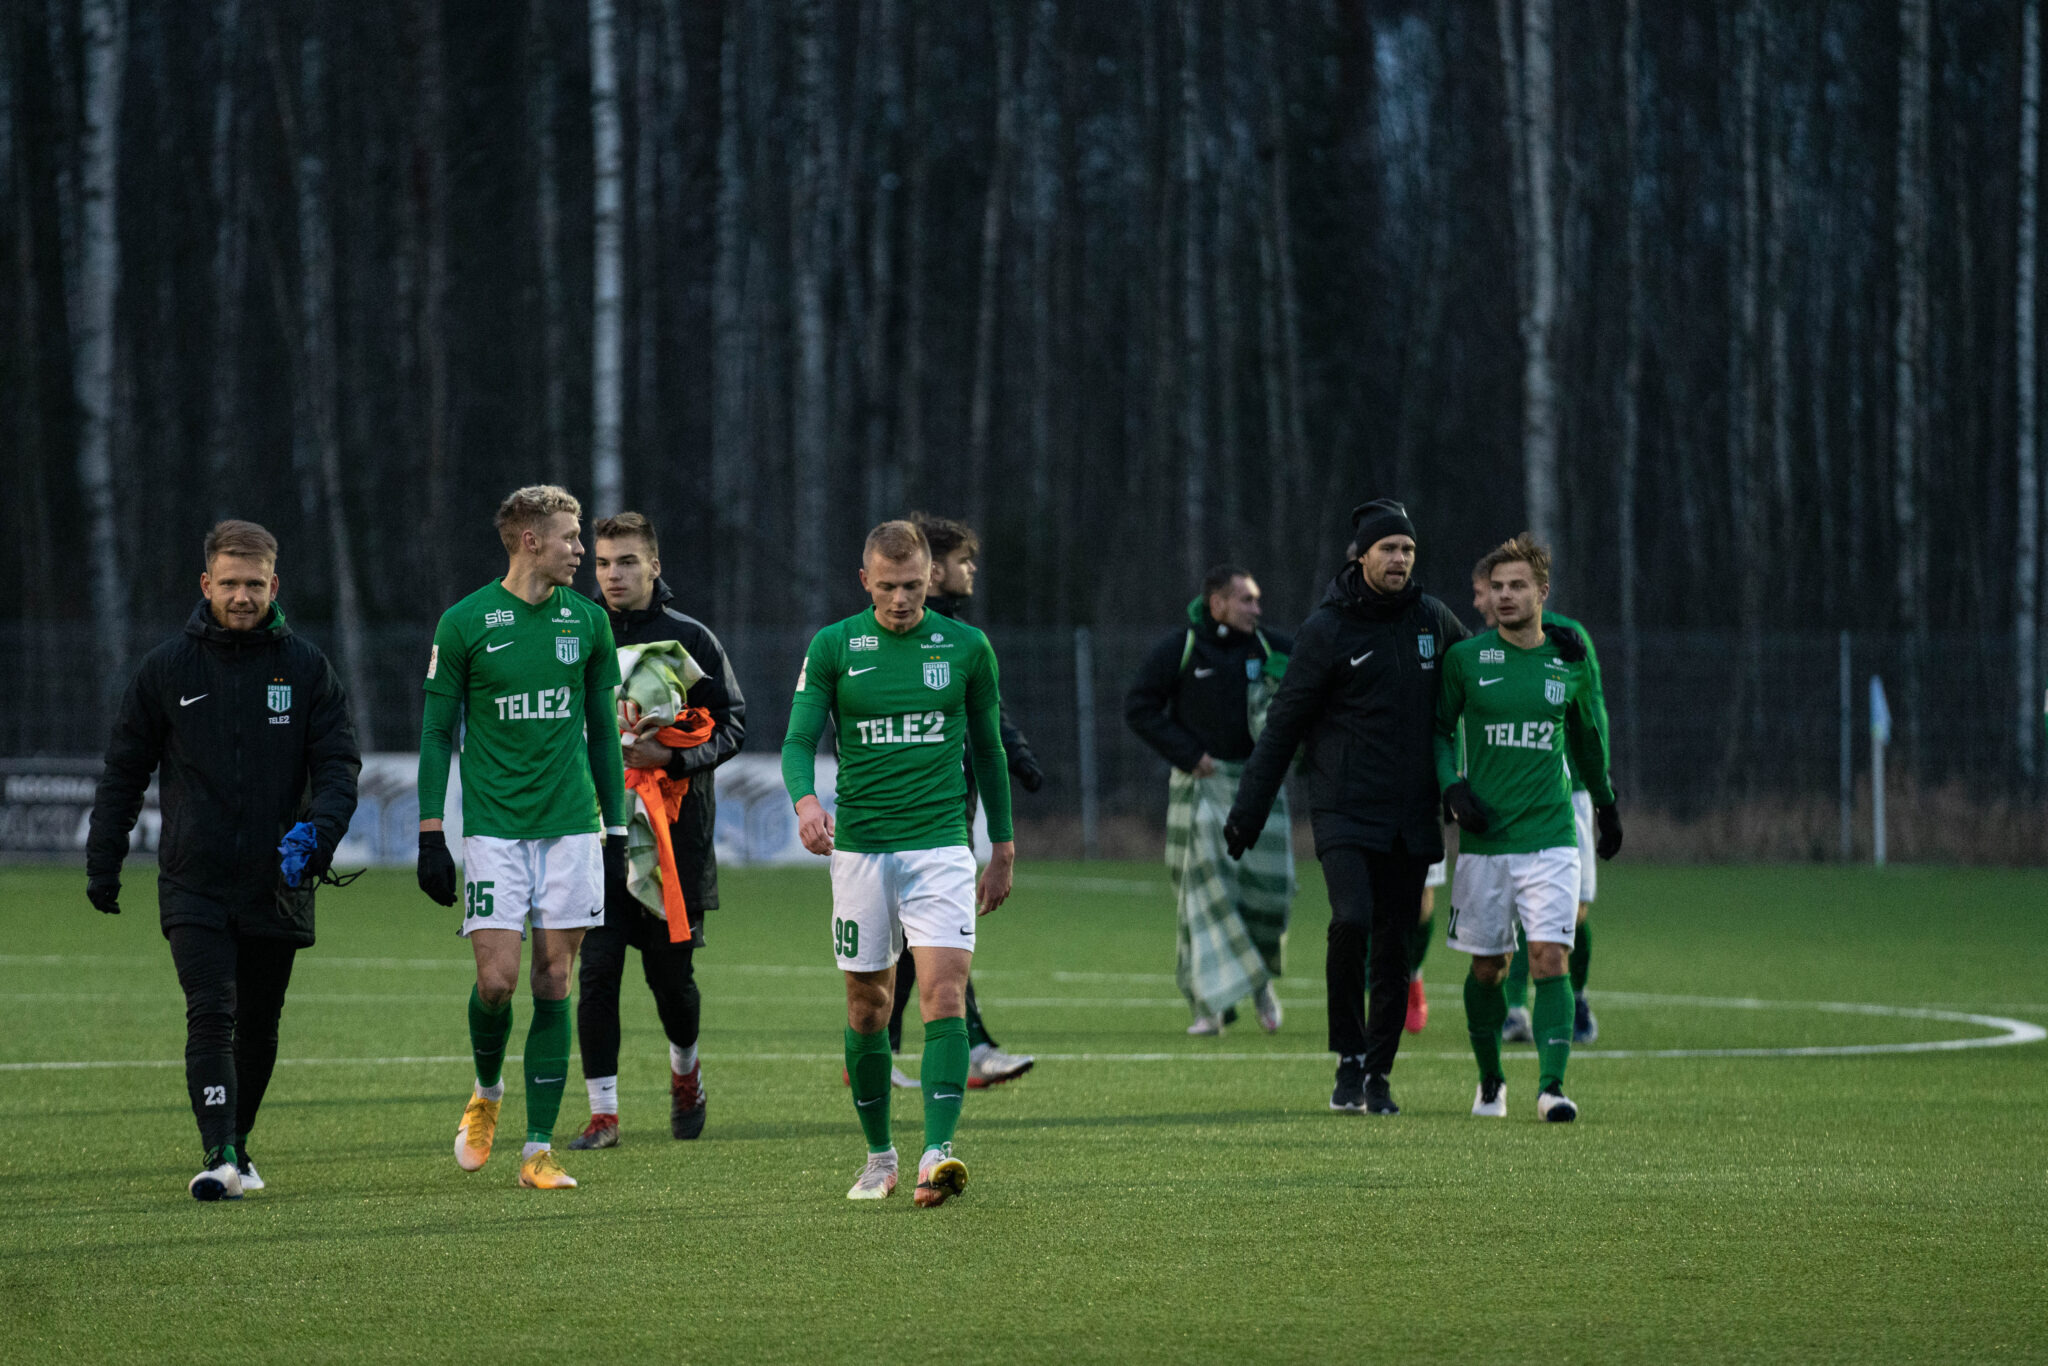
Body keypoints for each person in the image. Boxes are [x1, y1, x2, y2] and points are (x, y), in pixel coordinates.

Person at [86, 520, 361, 1200]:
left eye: (254, 584)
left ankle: (239, 1142)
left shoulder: (305, 669)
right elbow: (124, 772)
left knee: (261, 1021)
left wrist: (317, 837)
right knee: (211, 1010)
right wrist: (104, 857)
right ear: (206, 584)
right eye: (230, 583)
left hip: (280, 878)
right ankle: (220, 1154)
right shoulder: (165, 670)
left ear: (275, 584)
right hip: (194, 880)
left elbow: (338, 768)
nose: (242, 596)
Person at [782, 520, 1016, 1206]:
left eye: (914, 585)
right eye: (887, 587)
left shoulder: (967, 648)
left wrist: (1000, 846)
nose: (902, 600)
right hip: (860, 851)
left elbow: (992, 753)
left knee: (944, 993)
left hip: (941, 846)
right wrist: (805, 804)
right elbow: (798, 741)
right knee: (867, 1008)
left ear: (930, 578)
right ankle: (879, 1156)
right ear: (865, 582)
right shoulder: (834, 646)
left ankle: (936, 1153)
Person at [415, 485, 629, 1190]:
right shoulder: (465, 623)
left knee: (553, 978)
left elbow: (603, 729)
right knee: (498, 983)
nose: (581, 552)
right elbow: (437, 733)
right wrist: (429, 831)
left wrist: (617, 826)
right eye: (571, 538)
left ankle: (537, 1150)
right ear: (529, 540)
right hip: (496, 834)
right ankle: (486, 1093)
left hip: (570, 827)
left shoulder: (589, 625)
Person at [1225, 499, 1468, 1115]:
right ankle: (1348, 1057)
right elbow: (1283, 727)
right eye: (1388, 548)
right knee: (1352, 919)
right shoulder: (1327, 630)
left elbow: (1485, 671)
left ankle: (1379, 1072)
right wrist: (1248, 812)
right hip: (1343, 808)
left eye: (1408, 550)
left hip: (1411, 811)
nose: (1400, 559)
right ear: (1360, 555)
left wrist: (1552, 636)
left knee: (1396, 942)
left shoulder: (1432, 620)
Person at [565, 512, 746, 1149]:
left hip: (673, 843)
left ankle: (685, 1073)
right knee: (597, 972)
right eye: (605, 563)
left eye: (628, 562)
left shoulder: (690, 637)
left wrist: (668, 758)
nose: (613, 575)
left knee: (671, 981)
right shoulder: (574, 630)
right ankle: (603, 1115)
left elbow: (732, 726)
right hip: (594, 839)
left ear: (655, 566)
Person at [1433, 533, 1620, 1122]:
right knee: (1489, 968)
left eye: (1518, 585)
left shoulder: (1568, 657)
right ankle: (1491, 1081)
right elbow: (1439, 731)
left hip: (1552, 837)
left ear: (1543, 591)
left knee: (1549, 960)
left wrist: (1608, 805)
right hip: (1486, 844)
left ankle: (1552, 1087)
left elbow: (1587, 738)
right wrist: (1452, 787)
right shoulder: (1466, 660)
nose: (1505, 594)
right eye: (1497, 586)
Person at [869, 513, 1042, 1089]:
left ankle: (882, 1044)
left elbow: (986, 721)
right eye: (966, 562)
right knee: (932, 927)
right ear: (937, 568)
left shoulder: (963, 640)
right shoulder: (904, 635)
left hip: (951, 799)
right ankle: (944, 1046)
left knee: (928, 929)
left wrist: (1012, 754)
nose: (972, 572)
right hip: (925, 802)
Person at [1126, 564, 1296, 1036]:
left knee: (1272, 897)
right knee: (1201, 897)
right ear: (1218, 603)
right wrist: (1188, 753)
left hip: (1261, 789)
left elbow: (1313, 692)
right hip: (1200, 785)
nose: (1256, 609)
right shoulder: (1181, 648)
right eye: (1246, 600)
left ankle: (1260, 982)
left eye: (1257, 600)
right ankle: (1207, 1006)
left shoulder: (1271, 647)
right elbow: (1138, 707)